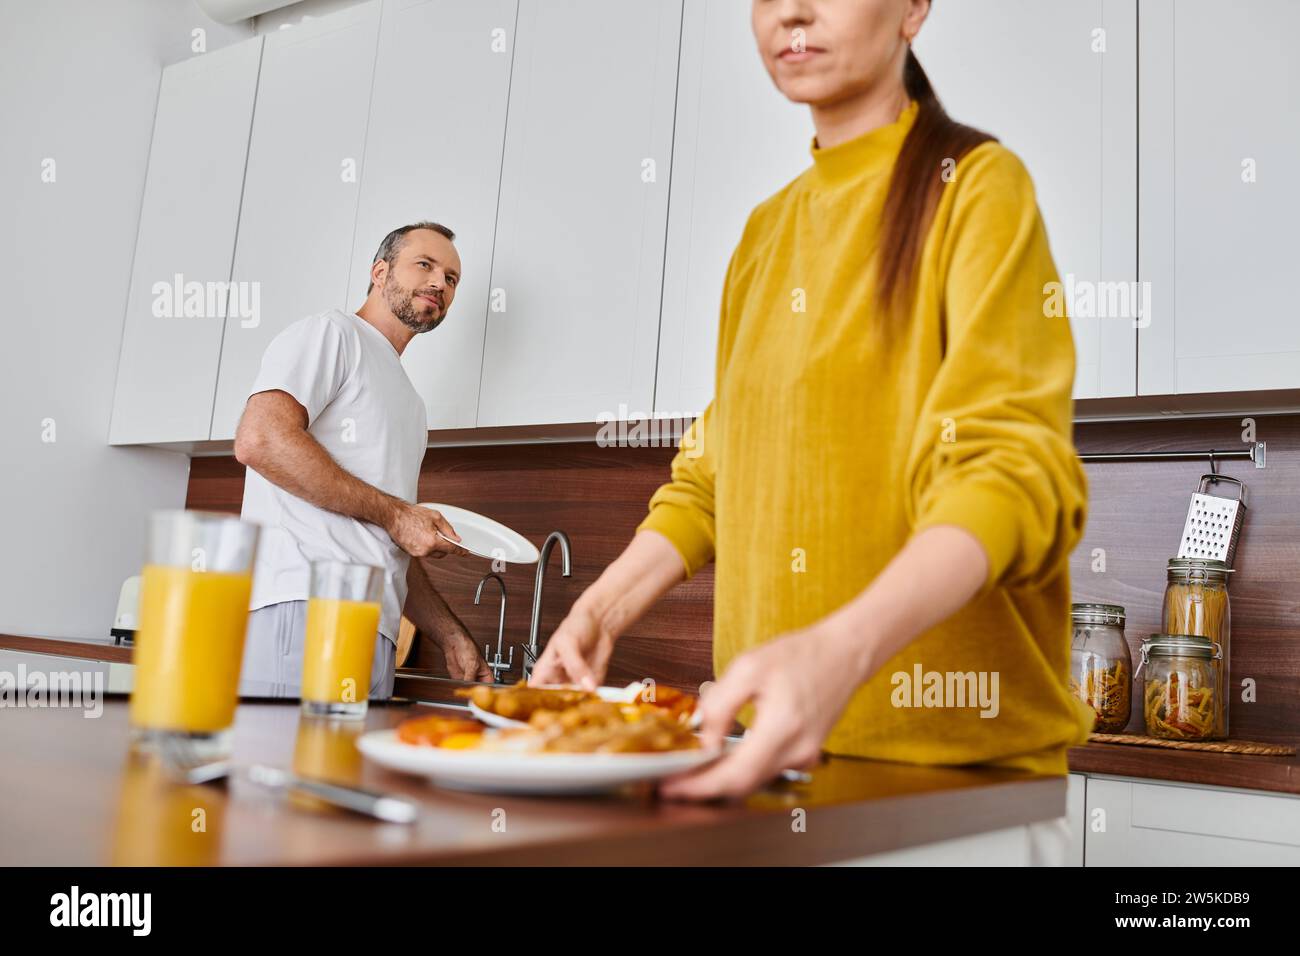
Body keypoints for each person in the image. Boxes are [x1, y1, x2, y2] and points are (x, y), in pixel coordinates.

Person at [532, 0, 1094, 813]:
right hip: (765, 764)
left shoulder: (977, 187)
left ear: (913, 9)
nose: (792, 10)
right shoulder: (764, 235)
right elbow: (710, 479)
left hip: (949, 787)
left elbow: (1010, 474)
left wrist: (839, 652)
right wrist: (599, 611)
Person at [234, 221, 493, 698]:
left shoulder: (411, 404)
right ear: (379, 271)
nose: (440, 283)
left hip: (370, 628)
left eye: (452, 278)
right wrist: (398, 515)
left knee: (337, 773)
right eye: (425, 265)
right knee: (279, 769)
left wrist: (451, 635)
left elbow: (386, 536)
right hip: (304, 608)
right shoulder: (331, 334)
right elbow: (260, 439)